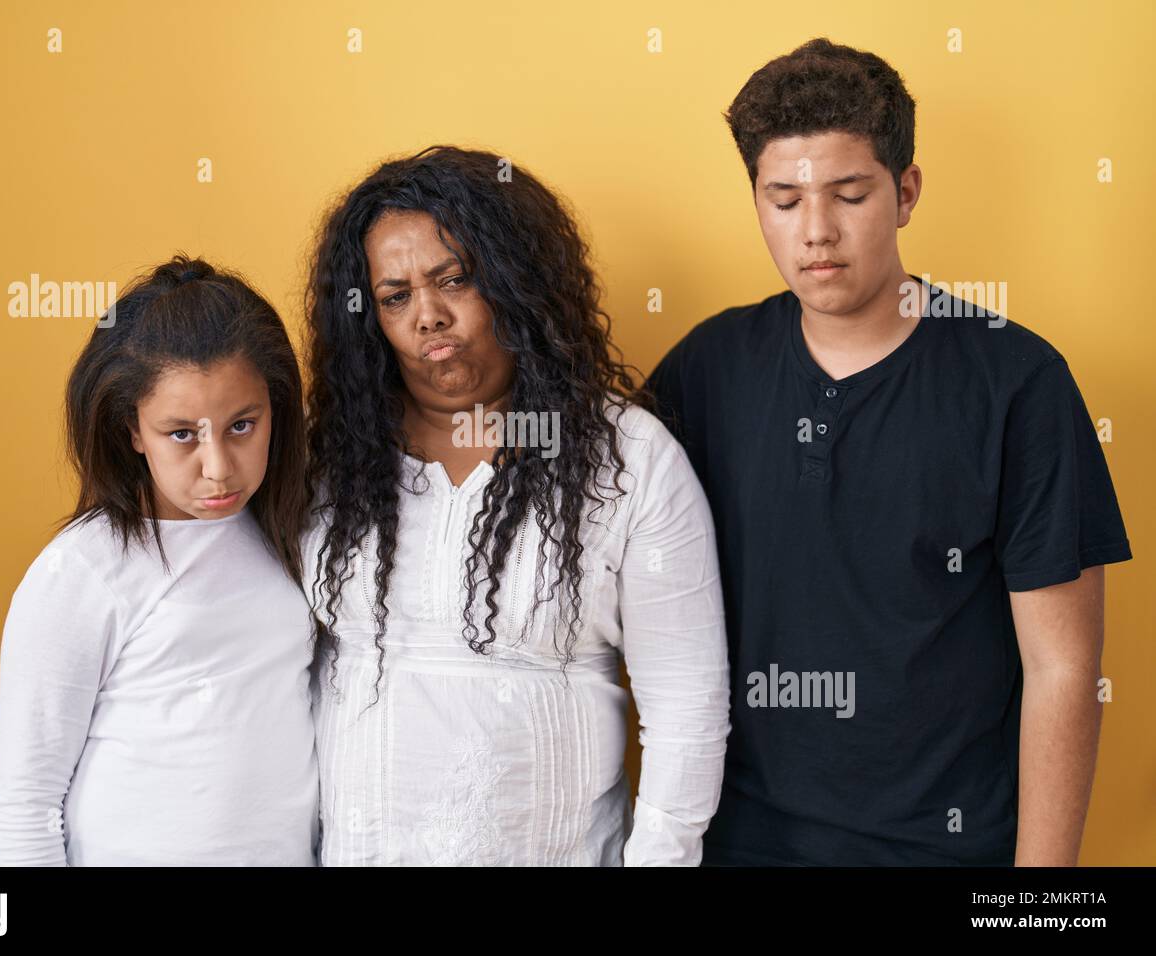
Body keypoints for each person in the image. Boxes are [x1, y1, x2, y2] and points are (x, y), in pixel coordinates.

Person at [649, 38, 1132, 866]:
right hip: (737, 844)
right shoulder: (708, 368)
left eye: (849, 194)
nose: (817, 232)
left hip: (949, 850)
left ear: (905, 192)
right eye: (784, 199)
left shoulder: (1018, 382)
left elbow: (1064, 668)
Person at [303, 145, 729, 866]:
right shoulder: (329, 462)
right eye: (395, 296)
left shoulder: (629, 459)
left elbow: (687, 709)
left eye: (455, 280)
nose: (428, 316)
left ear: (514, 280)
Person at [0, 256, 319, 865]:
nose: (218, 466)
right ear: (132, 428)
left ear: (277, 407)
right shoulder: (82, 572)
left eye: (243, 424)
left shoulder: (296, 538)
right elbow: (19, 807)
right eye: (181, 433)